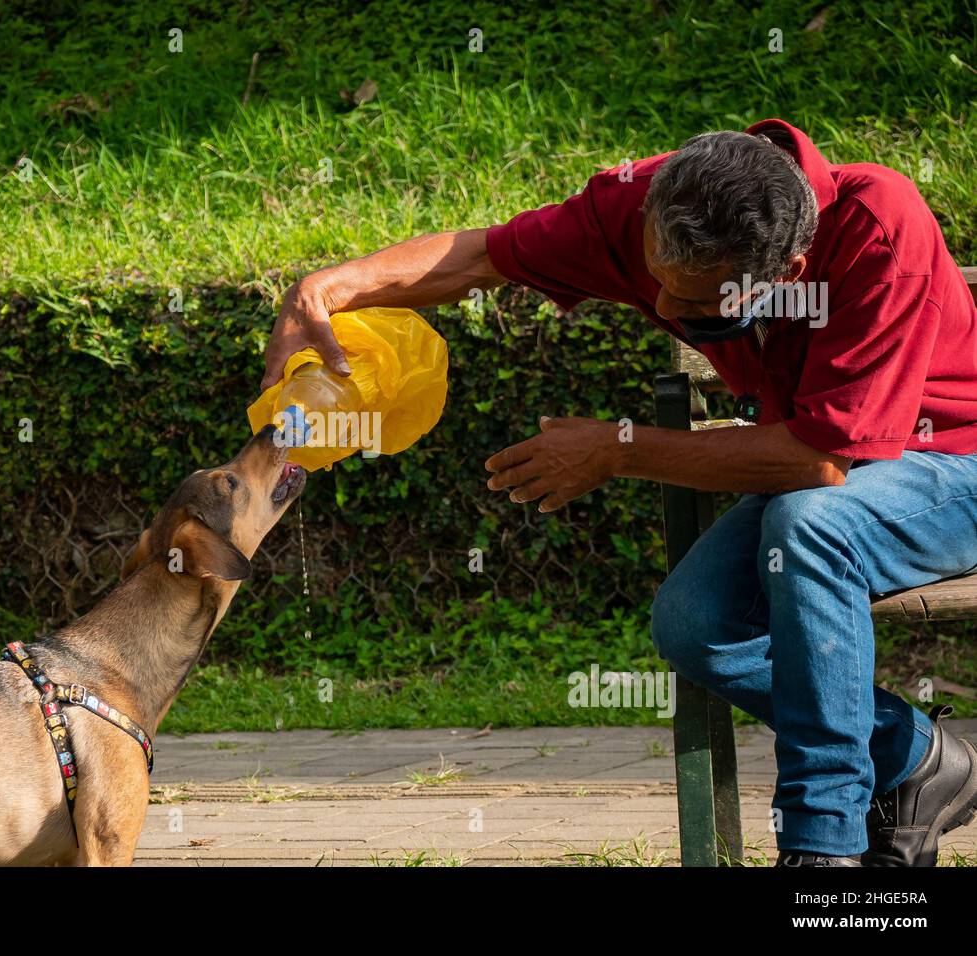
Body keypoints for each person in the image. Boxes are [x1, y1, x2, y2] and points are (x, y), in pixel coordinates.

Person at [260, 118, 977, 867]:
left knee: (809, 523)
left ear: (788, 275)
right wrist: (328, 286)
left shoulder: (877, 225)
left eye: (696, 304)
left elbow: (822, 460)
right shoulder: (644, 201)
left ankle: (821, 847)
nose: (666, 310)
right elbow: (485, 255)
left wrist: (618, 449)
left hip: (953, 464)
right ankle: (915, 757)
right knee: (697, 623)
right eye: (656, 280)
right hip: (822, 478)